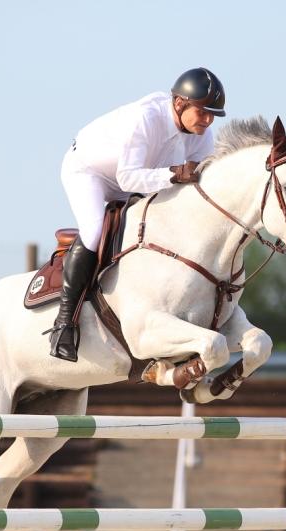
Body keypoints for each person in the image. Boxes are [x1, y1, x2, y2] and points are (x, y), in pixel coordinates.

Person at [50, 67, 227, 362]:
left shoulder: (200, 134)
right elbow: (129, 179)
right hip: (89, 172)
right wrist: (174, 174)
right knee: (95, 232)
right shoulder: (147, 117)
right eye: (203, 112)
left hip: (136, 177)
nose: (208, 120)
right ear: (181, 103)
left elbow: (198, 183)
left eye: (213, 114)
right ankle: (64, 323)